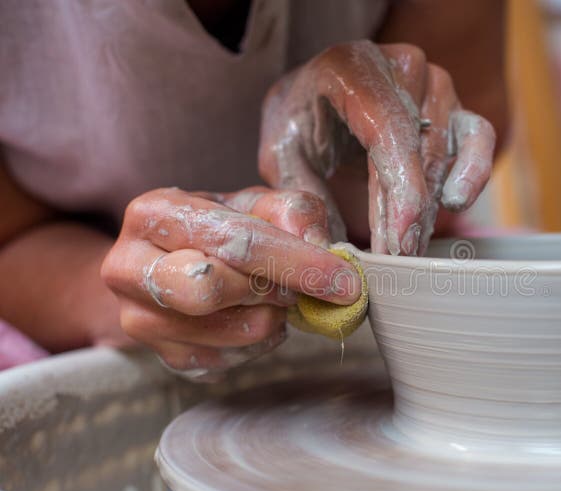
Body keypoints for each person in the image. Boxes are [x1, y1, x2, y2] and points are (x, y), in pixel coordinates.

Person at [0, 0, 506, 379]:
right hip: (61, 271)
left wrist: (384, 175)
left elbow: (441, 197)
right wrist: (122, 294)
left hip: (361, 264)